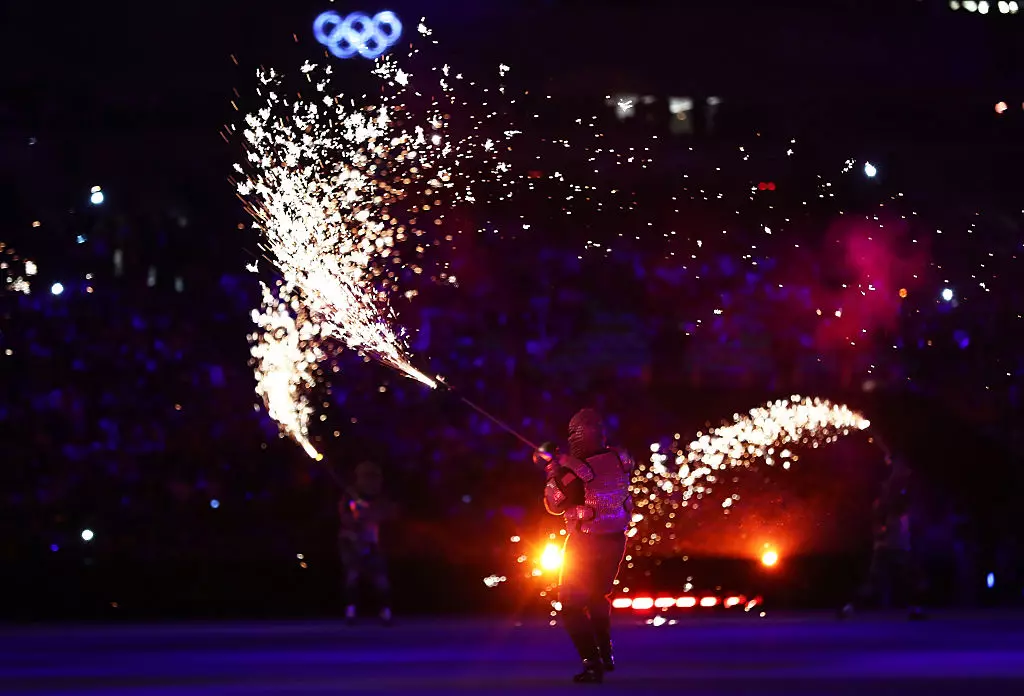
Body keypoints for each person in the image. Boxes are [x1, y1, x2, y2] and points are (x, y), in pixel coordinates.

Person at [537, 408, 634, 683]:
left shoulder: (575, 472)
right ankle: (606, 654)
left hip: (586, 544)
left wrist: (552, 470)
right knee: (597, 597)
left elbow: (554, 503)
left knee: (569, 604)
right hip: (616, 540)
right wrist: (563, 462)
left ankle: (592, 664)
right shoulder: (621, 458)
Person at [841, 456, 926, 620]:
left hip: (897, 544)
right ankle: (850, 608)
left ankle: (915, 609)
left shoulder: (896, 497)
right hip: (889, 546)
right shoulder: (885, 501)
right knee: (879, 581)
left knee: (901, 579)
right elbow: (882, 521)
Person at [338, 460, 394, 624]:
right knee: (353, 576)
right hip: (353, 543)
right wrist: (357, 515)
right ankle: (350, 612)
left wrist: (372, 512)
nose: (372, 481)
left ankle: (385, 613)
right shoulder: (349, 497)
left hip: (372, 543)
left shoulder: (381, 498)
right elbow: (345, 519)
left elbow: (388, 515)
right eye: (367, 477)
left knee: (381, 578)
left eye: (374, 477)